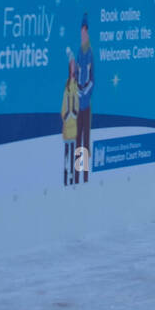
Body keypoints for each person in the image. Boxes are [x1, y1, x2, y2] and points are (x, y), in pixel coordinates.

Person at [76, 15, 95, 183]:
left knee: (86, 142)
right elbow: (75, 75)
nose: (83, 35)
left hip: (86, 104)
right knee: (78, 140)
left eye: (85, 32)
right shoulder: (78, 52)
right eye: (81, 32)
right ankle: (77, 174)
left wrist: (85, 92)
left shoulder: (90, 53)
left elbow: (93, 80)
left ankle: (86, 175)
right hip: (78, 105)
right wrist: (77, 91)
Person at [61, 55, 80, 186]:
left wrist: (74, 113)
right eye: (71, 66)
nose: (73, 68)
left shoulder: (76, 85)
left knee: (74, 150)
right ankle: (66, 173)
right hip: (67, 122)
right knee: (67, 150)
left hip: (74, 122)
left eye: (74, 66)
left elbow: (77, 103)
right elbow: (63, 105)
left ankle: (72, 175)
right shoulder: (67, 85)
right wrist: (66, 114)